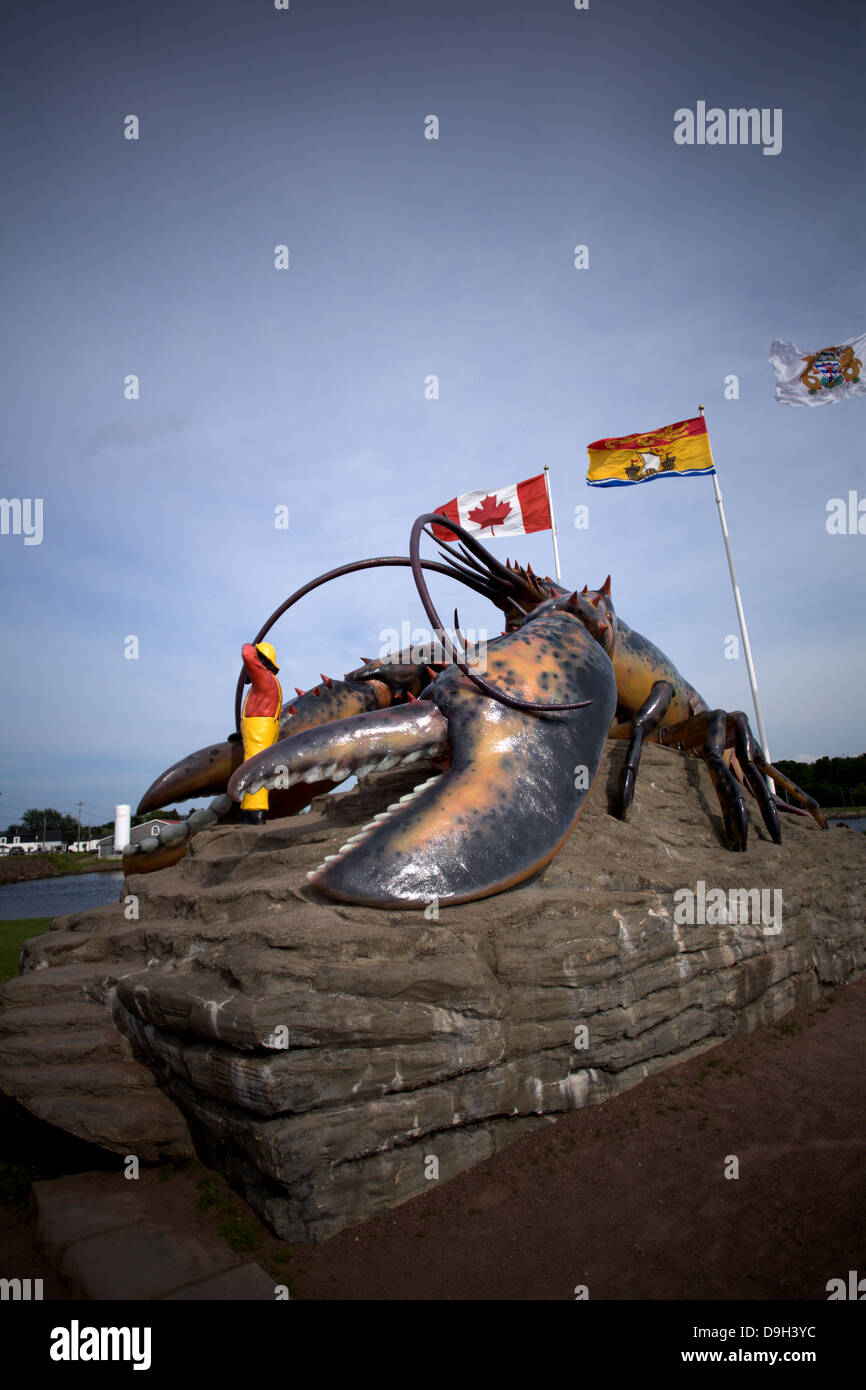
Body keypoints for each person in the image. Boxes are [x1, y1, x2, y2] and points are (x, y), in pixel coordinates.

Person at [239, 641, 282, 825]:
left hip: (259, 728)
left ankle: (256, 813)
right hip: (261, 728)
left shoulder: (264, 677)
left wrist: (250, 646)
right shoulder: (270, 682)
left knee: (254, 768)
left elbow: (248, 656)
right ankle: (251, 811)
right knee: (256, 766)